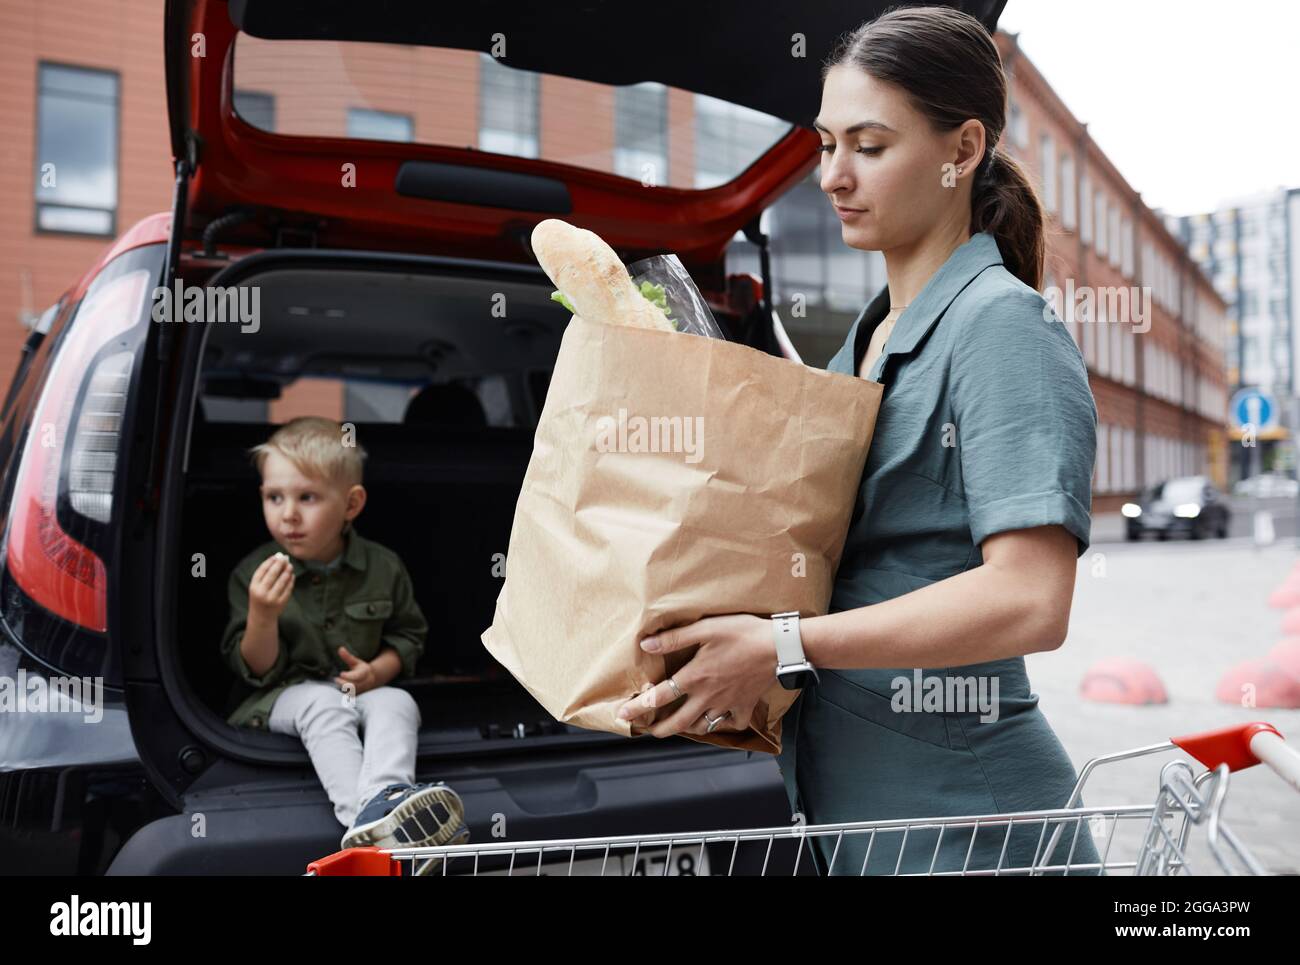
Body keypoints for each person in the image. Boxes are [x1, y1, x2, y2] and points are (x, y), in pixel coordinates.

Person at [615, 5, 1105, 875]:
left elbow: (1031, 599)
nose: (832, 176)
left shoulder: (1002, 329)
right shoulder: (865, 342)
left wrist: (786, 642)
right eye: (825, 144)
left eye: (869, 147)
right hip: (865, 817)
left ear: (961, 151)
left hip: (974, 830)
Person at [219, 415, 469, 874]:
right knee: (322, 703)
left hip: (358, 689)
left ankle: (384, 810)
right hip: (277, 697)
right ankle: (371, 830)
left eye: (307, 498)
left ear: (351, 504)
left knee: (396, 702)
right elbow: (252, 668)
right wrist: (262, 616)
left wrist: (378, 672)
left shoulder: (383, 566)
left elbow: (409, 637)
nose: (288, 513)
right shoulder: (253, 573)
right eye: (274, 498)